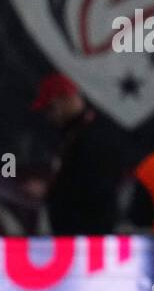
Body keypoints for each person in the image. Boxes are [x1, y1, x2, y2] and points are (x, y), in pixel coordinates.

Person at [30, 72, 124, 236]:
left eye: (51, 107)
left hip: (89, 236)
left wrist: (48, 192)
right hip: (75, 235)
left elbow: (92, 188)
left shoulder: (95, 136)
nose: (49, 115)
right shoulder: (74, 132)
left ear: (66, 98)